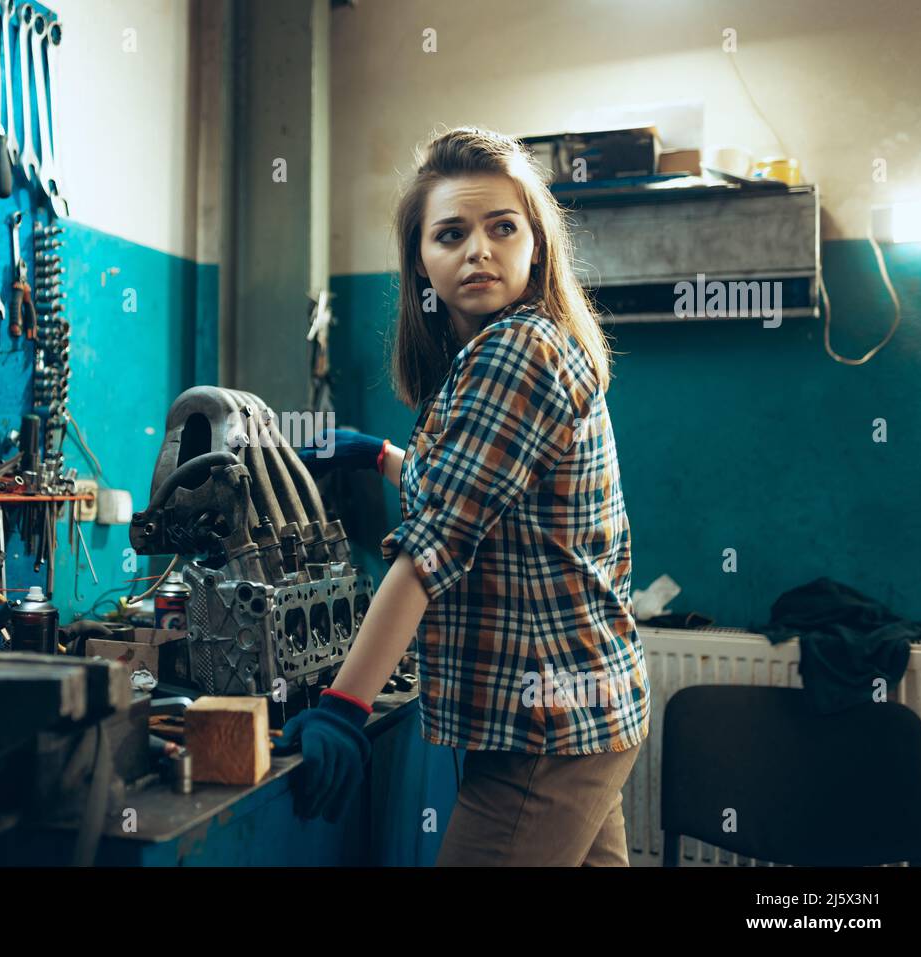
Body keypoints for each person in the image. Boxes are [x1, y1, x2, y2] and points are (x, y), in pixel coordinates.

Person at [278, 126, 650, 866]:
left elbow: (432, 547)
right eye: (451, 233)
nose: (478, 248)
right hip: (585, 704)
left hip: (543, 726)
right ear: (422, 260)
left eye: (501, 227)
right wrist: (381, 455)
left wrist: (344, 706)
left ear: (535, 244)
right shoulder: (501, 350)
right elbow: (473, 494)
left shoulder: (520, 351)